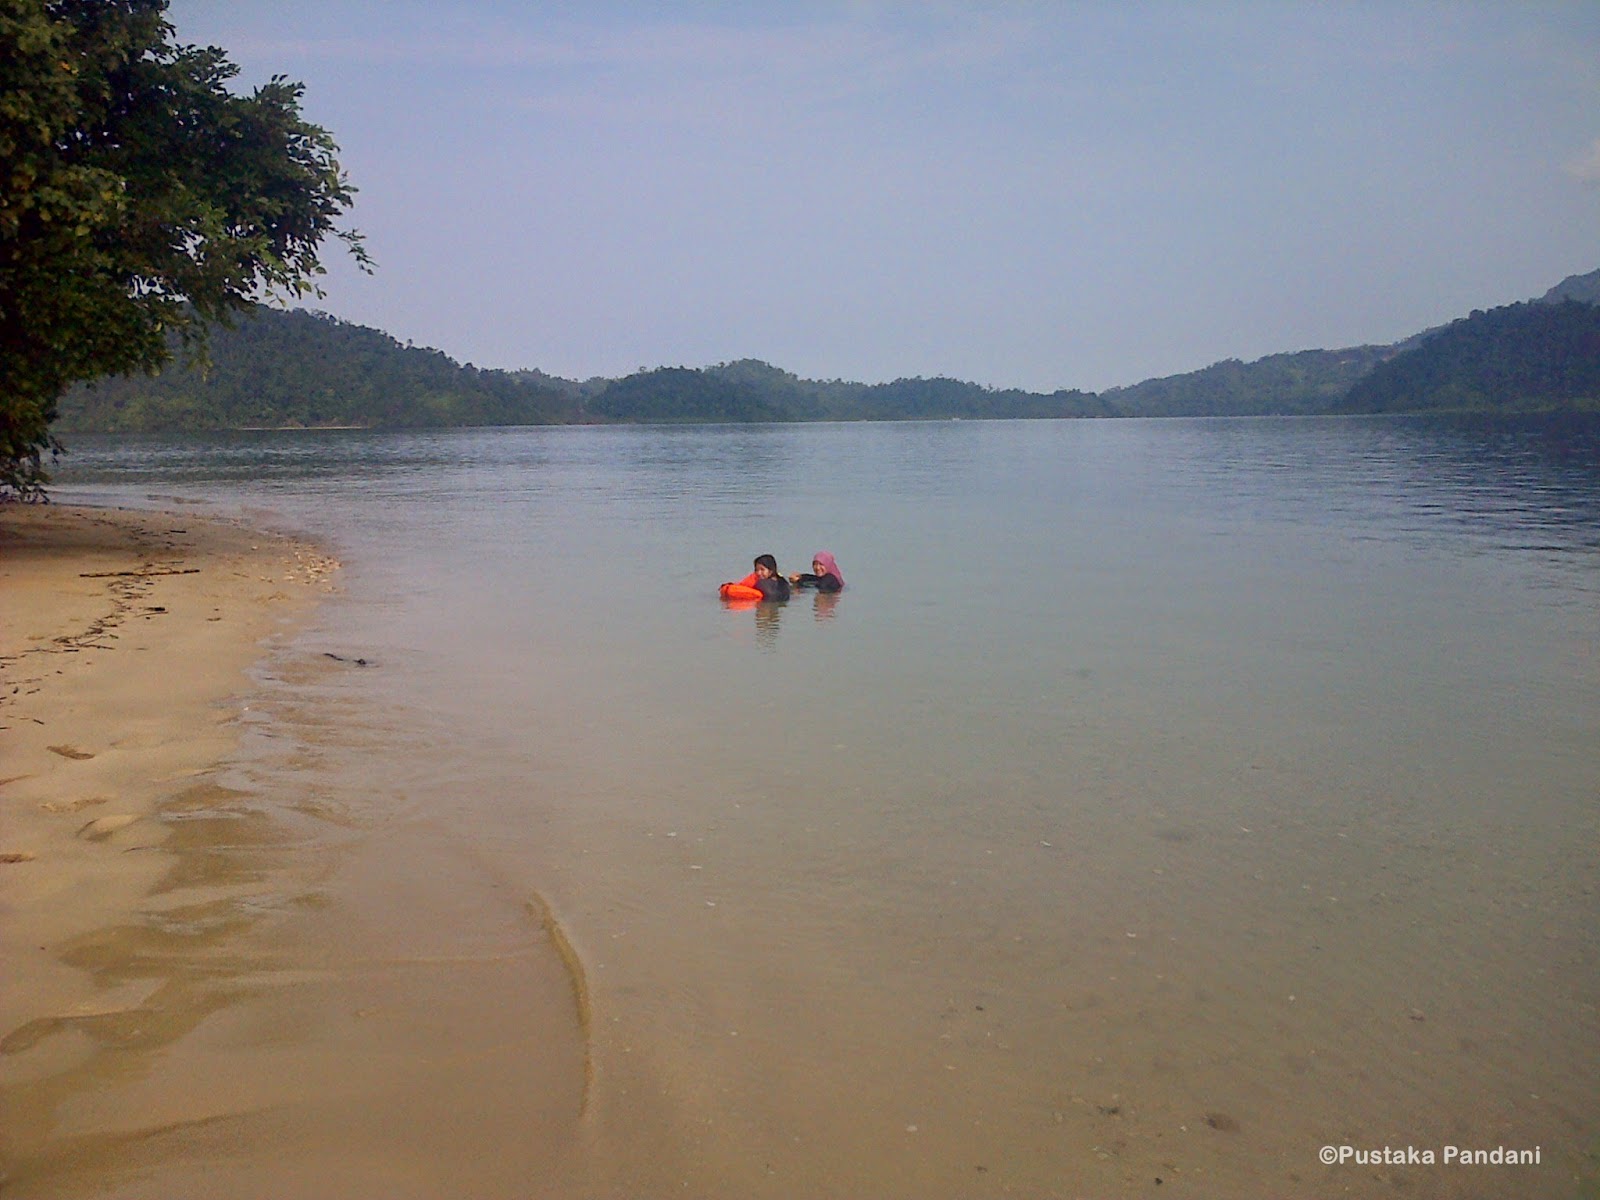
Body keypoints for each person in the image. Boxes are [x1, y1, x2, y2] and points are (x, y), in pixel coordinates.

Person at [720, 553, 791, 602]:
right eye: (756, 570)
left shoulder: (762, 583)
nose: (758, 573)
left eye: (762, 569)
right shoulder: (783, 583)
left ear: (770, 571)